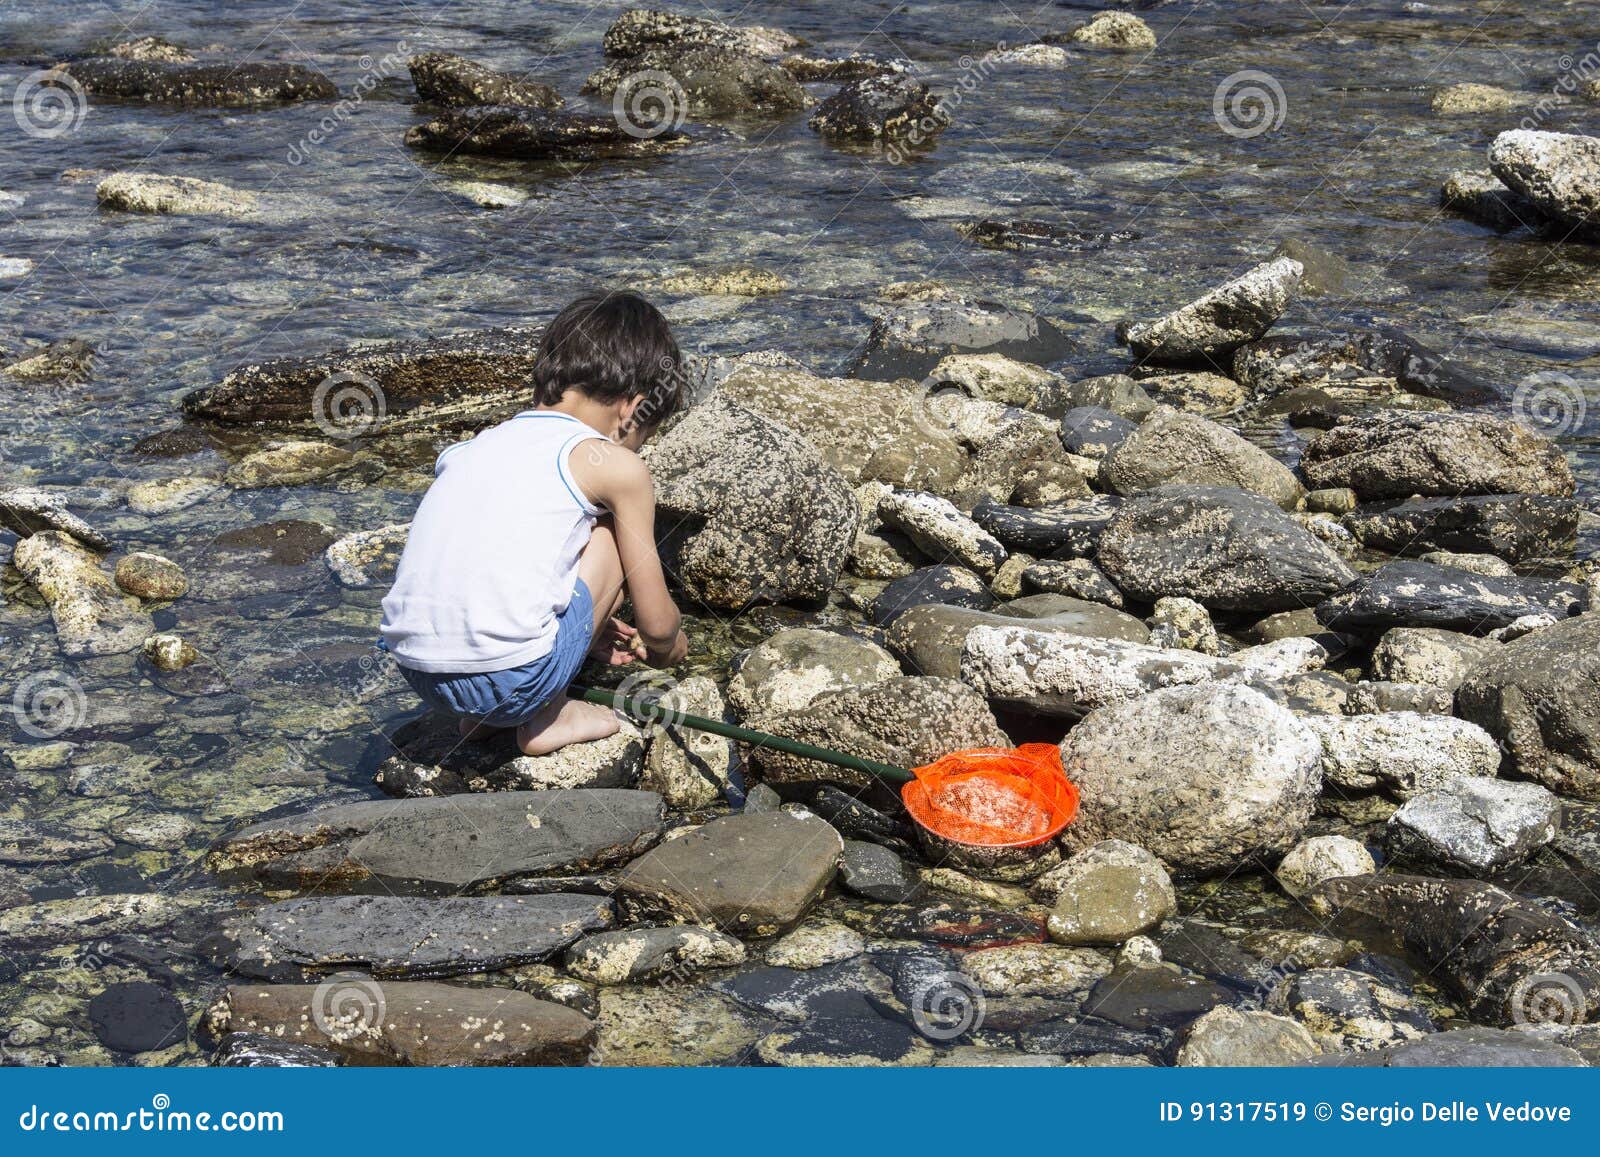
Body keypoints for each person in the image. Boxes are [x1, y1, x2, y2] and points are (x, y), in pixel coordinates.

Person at [379, 290, 689, 755]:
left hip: (420, 676)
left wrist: (585, 624)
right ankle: (547, 716)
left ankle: (481, 718)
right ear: (632, 409)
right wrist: (670, 649)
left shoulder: (468, 451)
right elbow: (658, 625)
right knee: (607, 537)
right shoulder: (614, 466)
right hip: (513, 679)